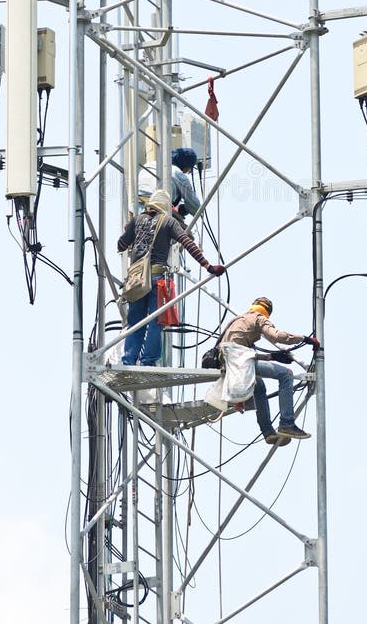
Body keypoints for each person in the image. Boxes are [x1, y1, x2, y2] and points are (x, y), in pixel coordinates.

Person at [118, 189, 224, 366]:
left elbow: (121, 245)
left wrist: (129, 231)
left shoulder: (137, 220)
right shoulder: (168, 221)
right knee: (156, 321)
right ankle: (148, 361)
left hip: (136, 280)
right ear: (166, 206)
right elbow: (188, 243)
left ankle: (128, 360)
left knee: (135, 323)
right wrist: (208, 266)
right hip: (158, 278)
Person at [220, 296, 320, 444]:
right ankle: (287, 423)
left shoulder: (238, 320)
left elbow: (240, 351)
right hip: (240, 363)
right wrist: (305, 339)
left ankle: (268, 432)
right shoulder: (259, 318)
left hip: (229, 363)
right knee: (286, 374)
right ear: (268, 312)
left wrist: (272, 357)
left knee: (259, 387)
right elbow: (277, 336)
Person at [171, 148, 201, 217]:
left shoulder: (151, 165)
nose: (189, 171)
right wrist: (186, 208)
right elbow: (196, 208)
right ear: (185, 164)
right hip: (157, 211)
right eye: (190, 167)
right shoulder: (178, 174)